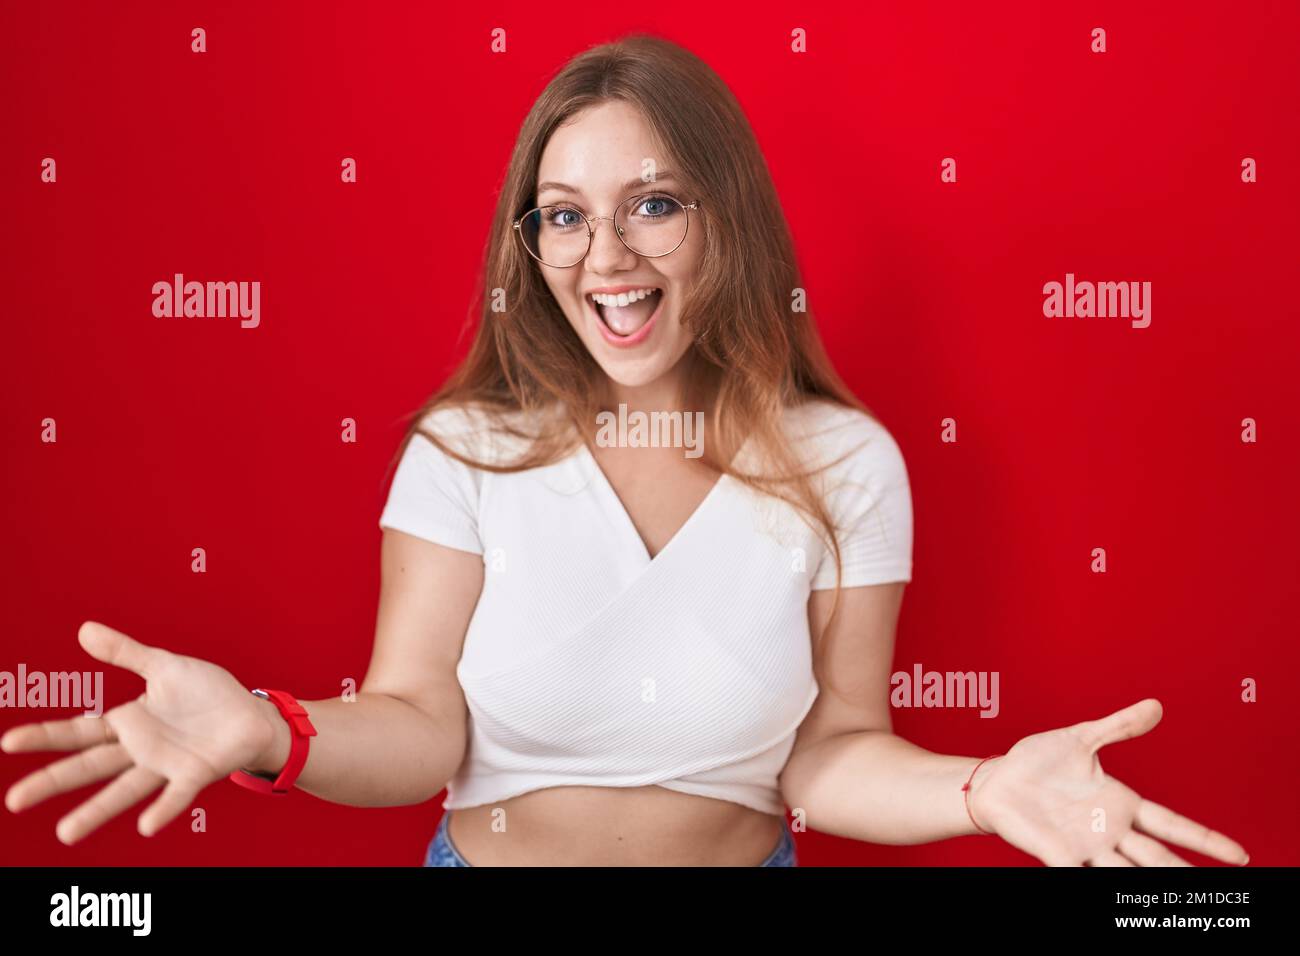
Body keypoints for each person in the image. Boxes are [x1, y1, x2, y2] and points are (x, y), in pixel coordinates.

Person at [1, 35, 1249, 869]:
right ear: (532, 247)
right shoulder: (465, 448)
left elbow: (830, 750)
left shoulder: (846, 459)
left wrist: (982, 790)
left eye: (653, 203)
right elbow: (419, 723)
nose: (605, 255)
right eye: (564, 216)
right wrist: (272, 729)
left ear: (729, 216)